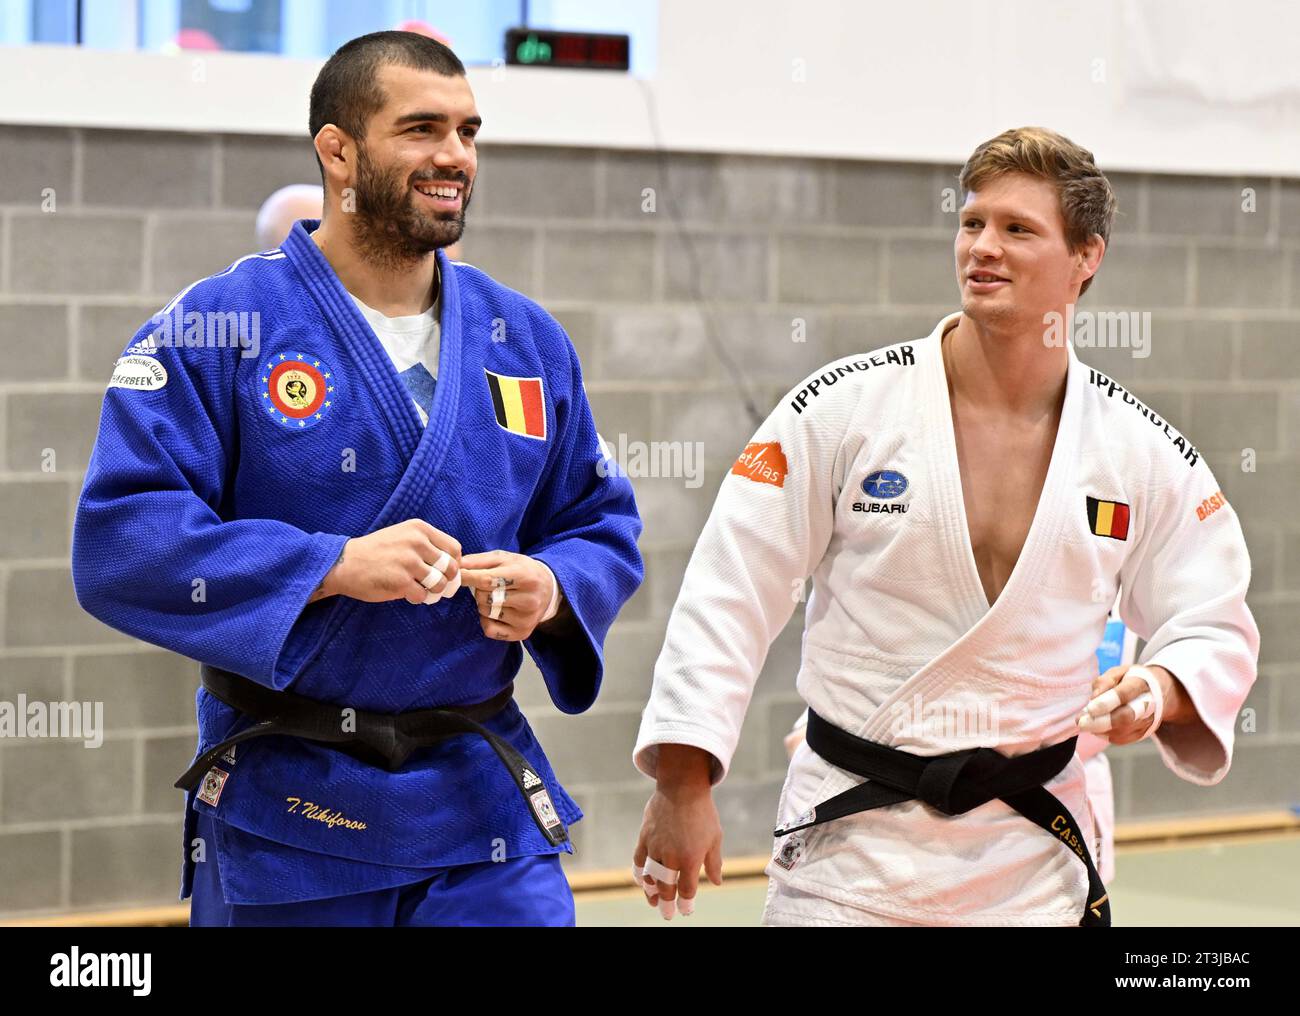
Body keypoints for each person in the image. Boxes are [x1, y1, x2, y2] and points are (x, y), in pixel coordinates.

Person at [71, 31, 643, 927]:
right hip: (294, 810)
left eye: (468, 131)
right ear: (336, 149)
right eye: (421, 129)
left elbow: (599, 522)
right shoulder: (221, 326)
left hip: (480, 799)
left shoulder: (524, 338)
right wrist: (328, 566)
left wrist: (555, 585)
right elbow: (122, 538)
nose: (455, 156)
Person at [630, 127, 1258, 926]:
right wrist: (682, 782)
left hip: (1032, 864)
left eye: (1017, 229)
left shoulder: (1138, 448)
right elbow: (728, 591)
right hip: (850, 855)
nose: (982, 247)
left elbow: (1211, 616)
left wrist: (1161, 688)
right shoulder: (843, 409)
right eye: (972, 223)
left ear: (1086, 257)